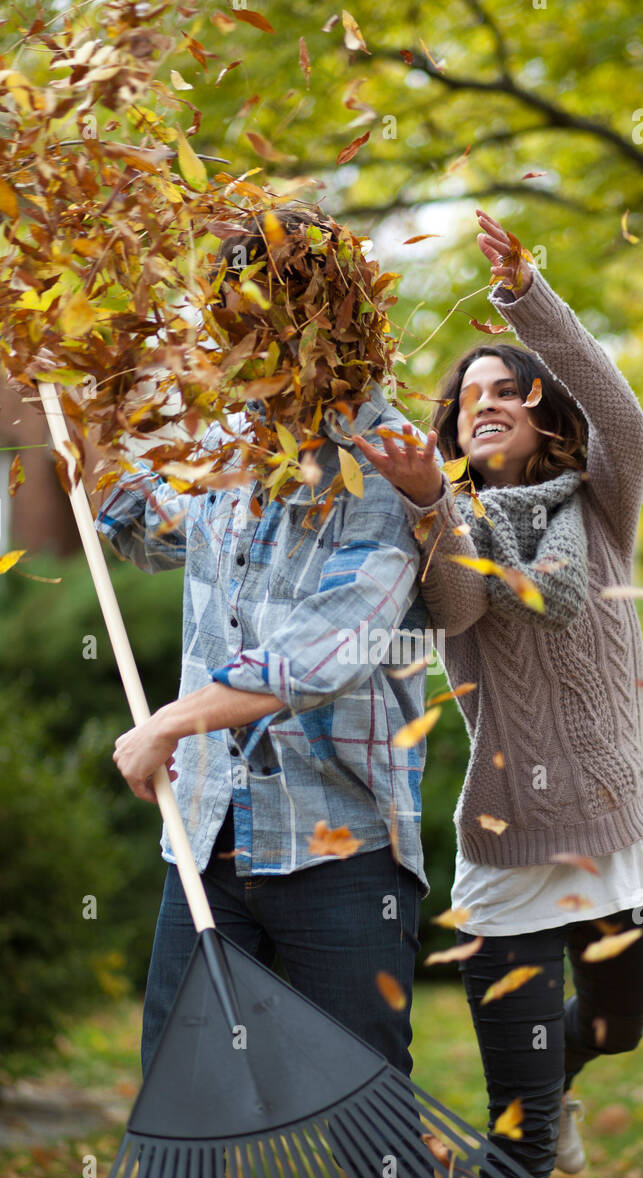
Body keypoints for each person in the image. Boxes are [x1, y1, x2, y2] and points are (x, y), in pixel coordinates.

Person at [353, 207, 643, 1178]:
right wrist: (433, 504)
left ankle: (560, 1075)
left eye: (506, 388)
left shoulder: (603, 503)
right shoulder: (446, 530)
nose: (482, 403)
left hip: (616, 836)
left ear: (544, 414)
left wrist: (526, 295)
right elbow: (451, 602)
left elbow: (620, 410)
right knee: (523, 1136)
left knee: (615, 1030)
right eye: (466, 397)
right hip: (508, 861)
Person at [96, 205, 434, 1104]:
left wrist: (173, 720)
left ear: (325, 326)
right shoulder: (228, 441)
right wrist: (88, 431)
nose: (241, 352)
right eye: (232, 328)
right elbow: (162, 532)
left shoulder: (384, 454)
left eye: (263, 329)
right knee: (185, 1086)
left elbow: (328, 650)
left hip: (342, 845)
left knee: (364, 1099)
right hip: (207, 831)